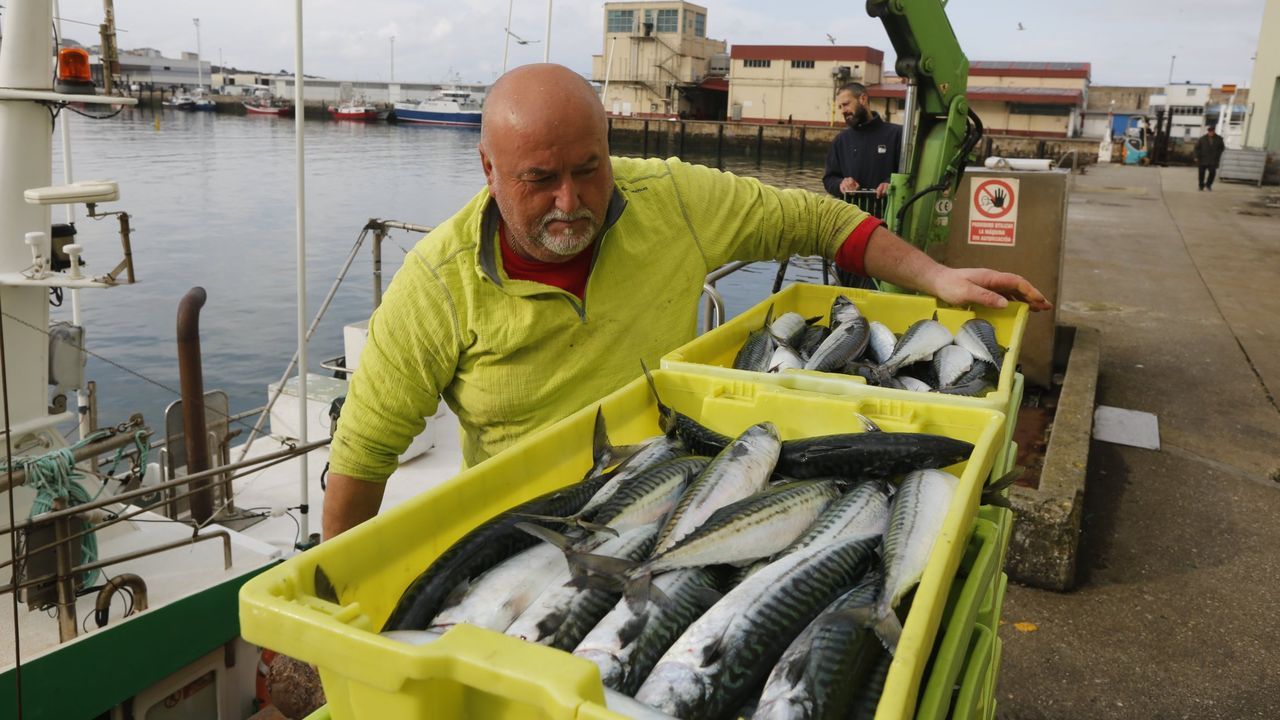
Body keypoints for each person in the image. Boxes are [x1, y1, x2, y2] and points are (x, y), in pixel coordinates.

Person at [322, 64, 1050, 539]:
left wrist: (937, 279)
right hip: (526, 531)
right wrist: (333, 607)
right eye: (538, 179)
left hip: (679, 497)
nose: (570, 202)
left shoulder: (669, 197)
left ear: (612, 149)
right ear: (488, 169)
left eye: (589, 168)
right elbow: (364, 456)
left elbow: (817, 220)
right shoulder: (437, 283)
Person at [823, 82, 903, 288]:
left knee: (879, 289)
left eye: (846, 104)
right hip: (850, 229)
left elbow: (909, 175)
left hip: (888, 230)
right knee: (847, 292)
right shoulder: (841, 140)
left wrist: (890, 184)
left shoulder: (896, 135)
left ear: (863, 99)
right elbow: (829, 179)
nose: (843, 111)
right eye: (840, 107)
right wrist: (841, 184)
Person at [1195, 126, 1225, 191]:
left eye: (1212, 131)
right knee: (1201, 174)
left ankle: (1208, 185)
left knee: (1212, 173)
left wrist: (1217, 154)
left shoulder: (1219, 139)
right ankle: (1201, 186)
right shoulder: (1202, 139)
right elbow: (1197, 148)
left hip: (1213, 160)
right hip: (1203, 159)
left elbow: (1222, 148)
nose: (1211, 132)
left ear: (1214, 131)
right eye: (1210, 131)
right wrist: (1196, 156)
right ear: (1208, 131)